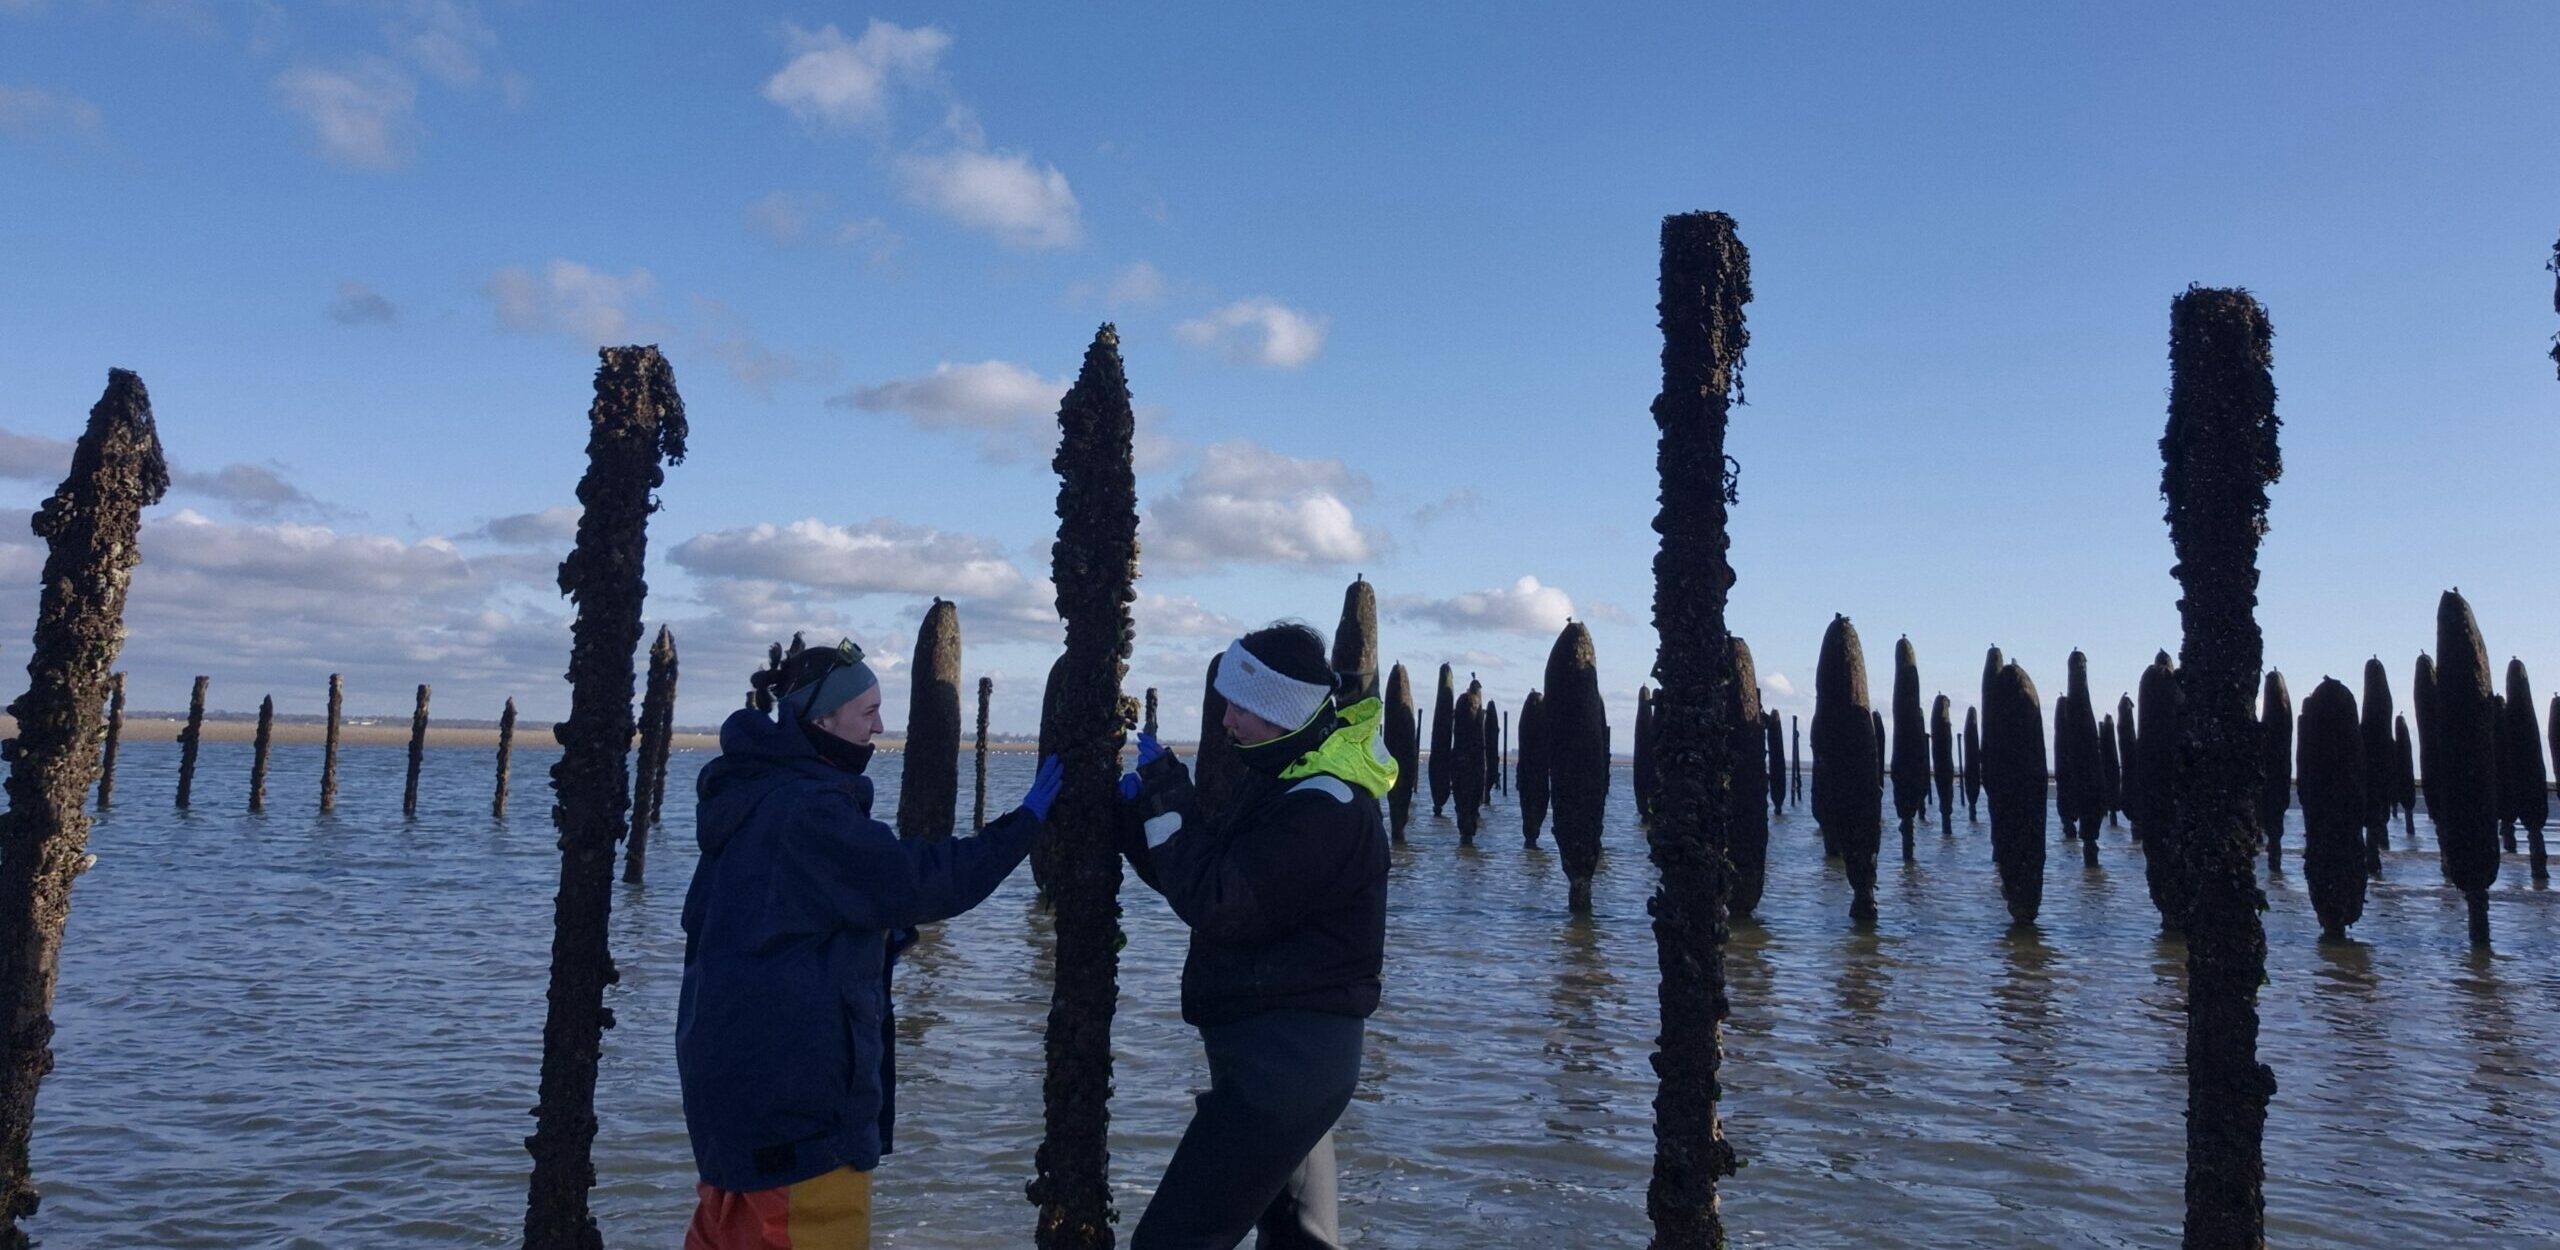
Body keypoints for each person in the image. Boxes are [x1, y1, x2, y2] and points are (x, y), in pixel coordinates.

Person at [678, 637, 1061, 1250]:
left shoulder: (750, 799)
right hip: (799, 1114)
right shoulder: (810, 812)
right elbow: (924, 879)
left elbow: (757, 928)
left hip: (730, 1104)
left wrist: (878, 937)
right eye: (867, 712)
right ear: (821, 720)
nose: (880, 728)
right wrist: (1026, 823)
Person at [1116, 622, 1396, 1249]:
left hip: (1286, 1068)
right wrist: (1136, 824)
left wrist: (1165, 800)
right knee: (1301, 1240)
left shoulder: (1325, 804)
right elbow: (1213, 877)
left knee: (1171, 1242)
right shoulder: (1289, 778)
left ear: (1283, 711)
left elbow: (1223, 903)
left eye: (1240, 707)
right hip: (1286, 1063)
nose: (1225, 723)